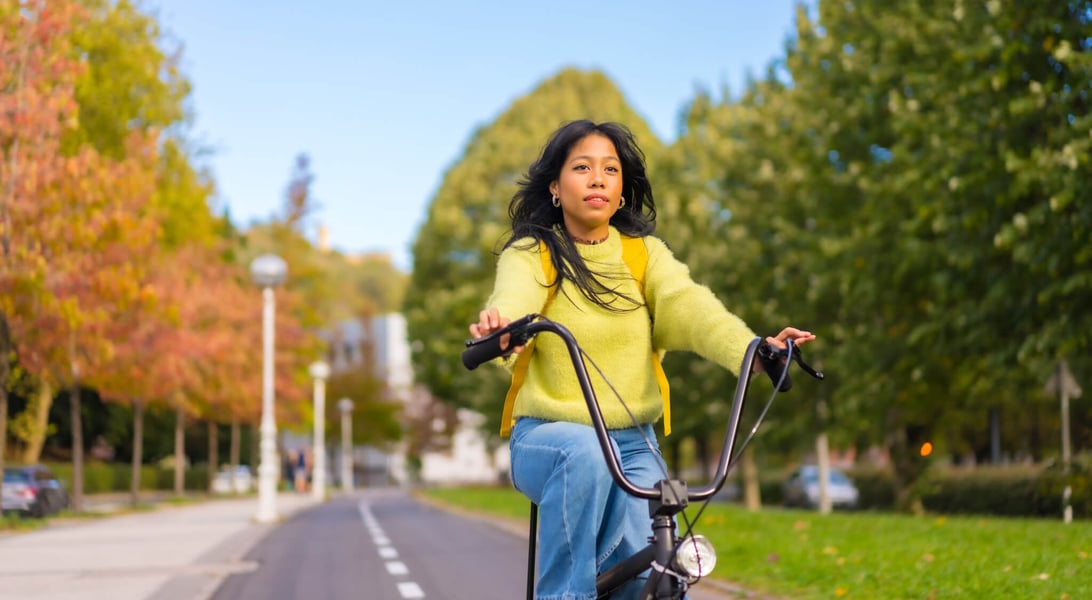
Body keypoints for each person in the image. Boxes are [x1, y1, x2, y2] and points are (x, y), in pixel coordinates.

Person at [469, 119, 815, 600]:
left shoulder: (645, 256)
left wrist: (752, 350)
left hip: (634, 443)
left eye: (610, 170)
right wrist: (504, 329)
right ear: (554, 186)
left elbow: (692, 308)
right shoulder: (535, 254)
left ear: (622, 188)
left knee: (656, 567)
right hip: (548, 437)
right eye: (582, 167)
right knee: (584, 453)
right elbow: (514, 297)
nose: (598, 179)